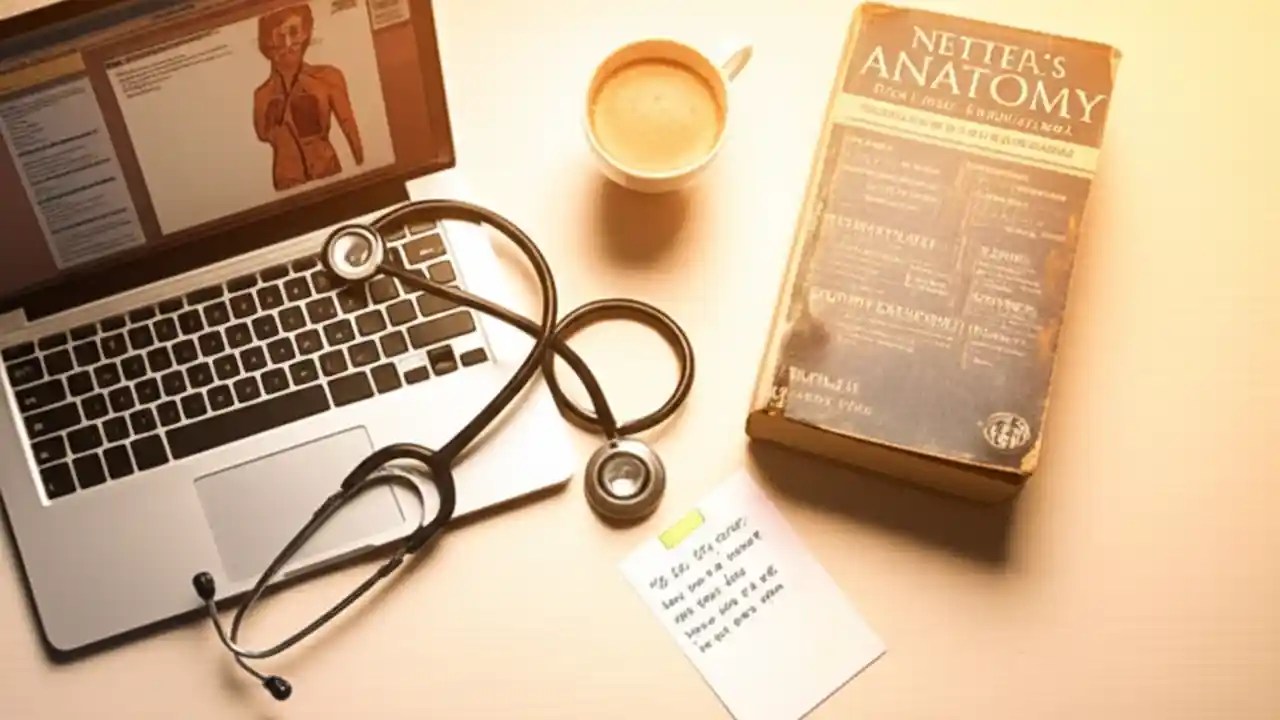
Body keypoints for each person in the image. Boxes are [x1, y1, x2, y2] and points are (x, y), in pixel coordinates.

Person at [253, 3, 364, 191]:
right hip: (287, 182)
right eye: (280, 36)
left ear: (306, 33)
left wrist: (364, 174)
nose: (288, 44)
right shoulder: (263, 95)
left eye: (294, 32)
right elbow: (263, 135)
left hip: (327, 174)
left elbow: (349, 126)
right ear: (268, 41)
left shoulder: (328, 78)